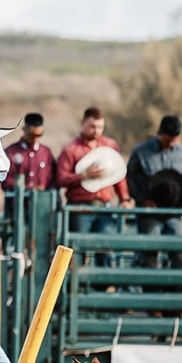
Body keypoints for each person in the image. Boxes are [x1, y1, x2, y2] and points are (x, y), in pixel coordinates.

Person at [56, 108, 132, 266]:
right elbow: (61, 178)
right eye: (92, 126)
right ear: (83, 123)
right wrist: (83, 176)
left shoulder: (110, 146)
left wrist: (124, 197)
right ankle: (77, 287)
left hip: (104, 207)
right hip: (80, 207)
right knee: (78, 250)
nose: (96, 131)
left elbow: (118, 175)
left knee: (106, 248)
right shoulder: (71, 150)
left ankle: (104, 287)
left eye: (100, 127)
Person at [127, 115, 182, 270]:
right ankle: (150, 292)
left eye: (173, 140)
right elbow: (129, 177)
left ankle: (177, 291)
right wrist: (141, 199)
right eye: (166, 139)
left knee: (180, 255)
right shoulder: (141, 152)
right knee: (149, 254)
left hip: (175, 213)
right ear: (158, 132)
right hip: (150, 212)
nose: (170, 143)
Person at [3, 114, 56, 207]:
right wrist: (24, 187)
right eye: (32, 135)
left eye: (39, 135)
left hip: (41, 204)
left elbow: (54, 178)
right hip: (18, 204)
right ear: (24, 129)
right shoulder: (11, 152)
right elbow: (4, 179)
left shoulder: (46, 153)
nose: (35, 138)